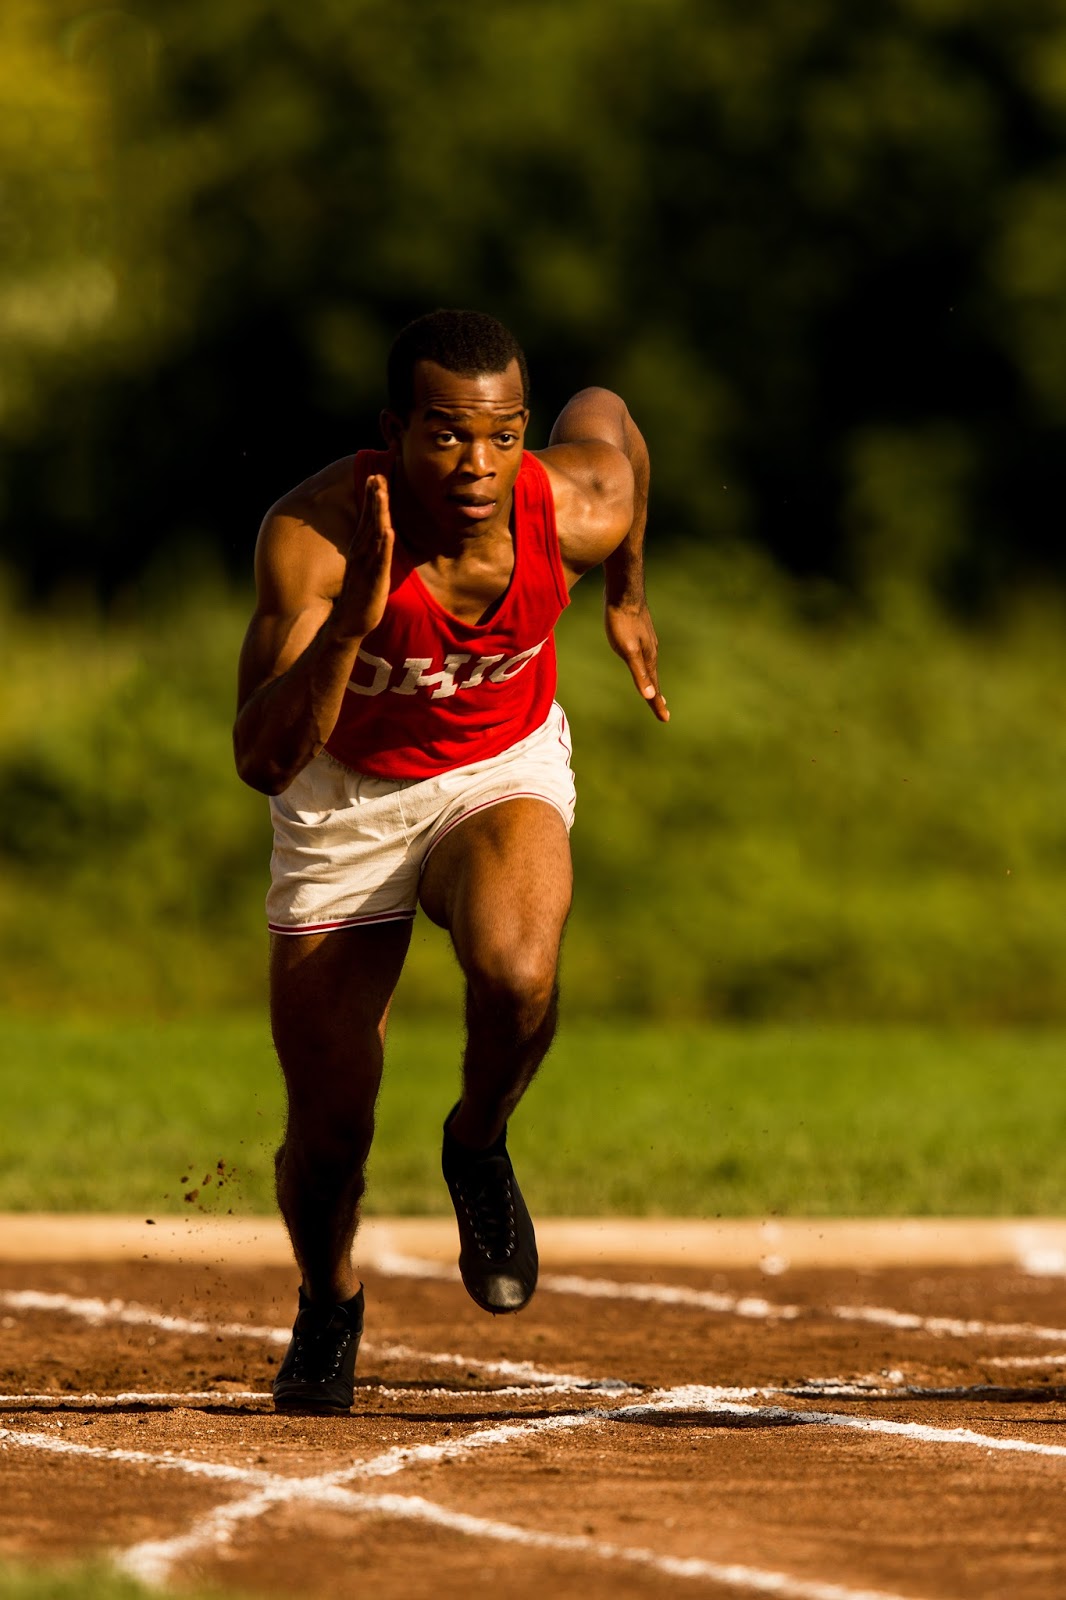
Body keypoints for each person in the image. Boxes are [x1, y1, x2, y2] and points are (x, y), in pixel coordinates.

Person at [233, 309, 667, 1415]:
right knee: (330, 1126)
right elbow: (261, 756)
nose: (477, 465)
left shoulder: (574, 505)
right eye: (445, 436)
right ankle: (329, 1297)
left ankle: (477, 1142)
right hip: (342, 799)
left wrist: (626, 598)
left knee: (519, 971)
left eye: (502, 434)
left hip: (497, 767)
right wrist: (350, 628)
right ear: (394, 431)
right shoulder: (315, 536)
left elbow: (611, 424)